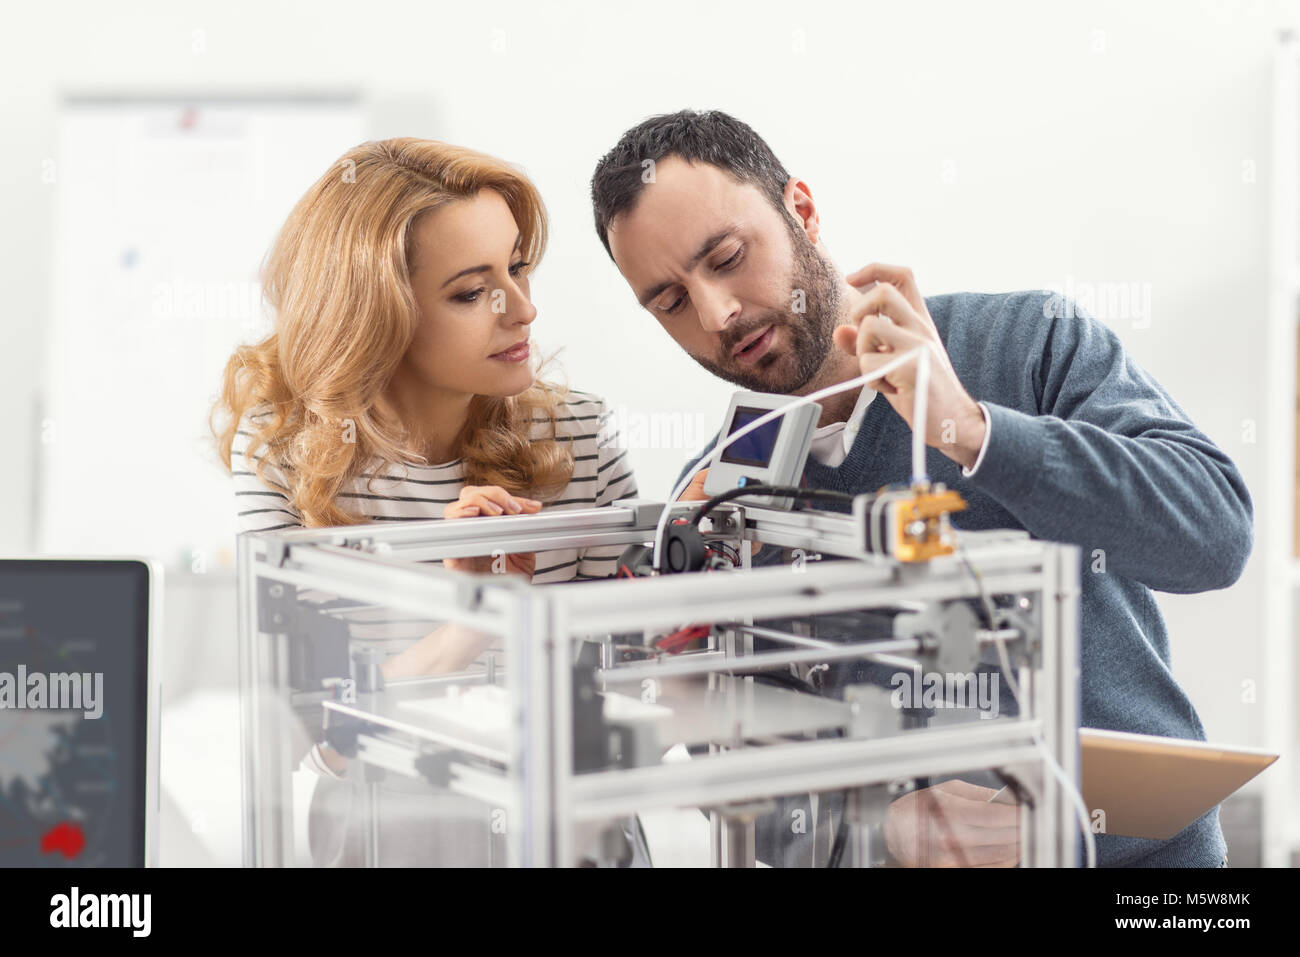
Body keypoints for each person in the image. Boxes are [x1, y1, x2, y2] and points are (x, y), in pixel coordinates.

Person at [589, 109, 1252, 868]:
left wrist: (973, 432)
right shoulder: (714, 498)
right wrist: (875, 825)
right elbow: (731, 762)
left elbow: (1215, 536)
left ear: (800, 209)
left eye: (728, 256)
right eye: (670, 302)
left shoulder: (1028, 342)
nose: (717, 312)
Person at [212, 137, 641, 865]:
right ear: (374, 316)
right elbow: (306, 747)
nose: (524, 310)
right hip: (379, 838)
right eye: (473, 292)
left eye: (519, 267)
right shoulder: (282, 454)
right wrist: (463, 632)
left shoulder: (579, 433)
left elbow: (634, 686)